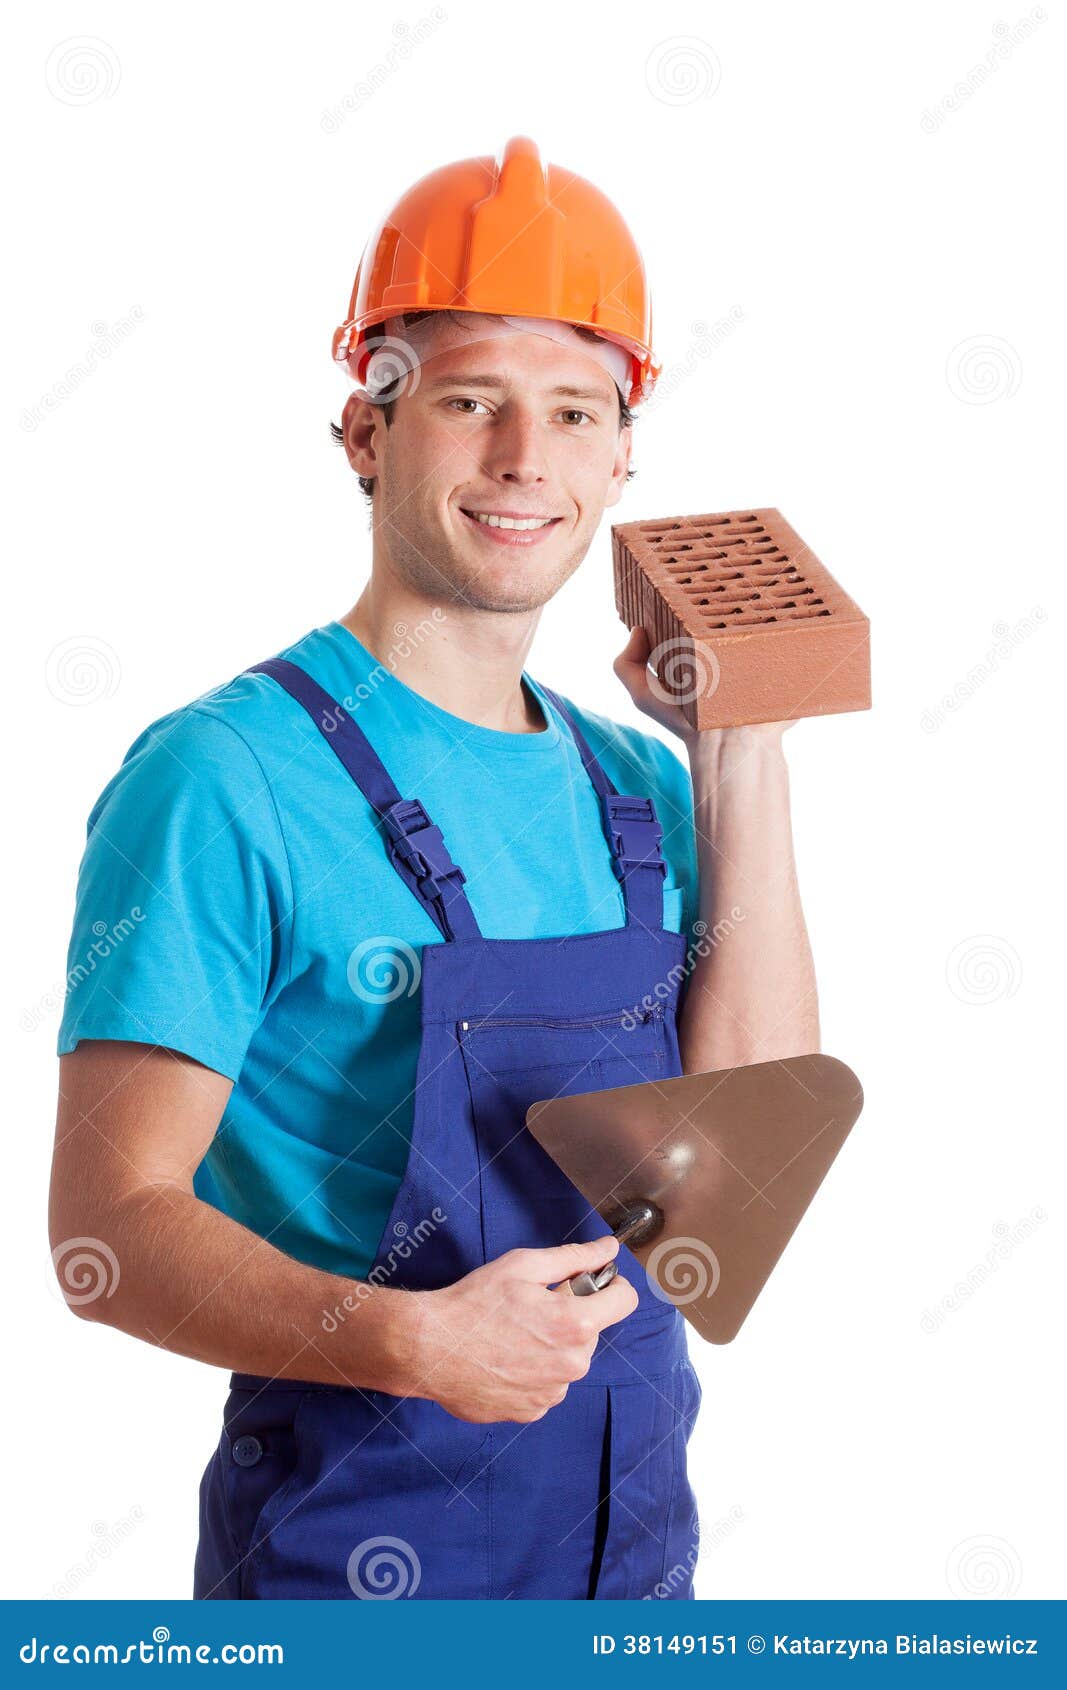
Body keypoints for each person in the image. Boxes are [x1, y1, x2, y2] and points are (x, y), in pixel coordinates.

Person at [49, 137, 818, 1601]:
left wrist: (743, 753)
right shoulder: (224, 777)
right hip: (352, 1588)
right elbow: (105, 1228)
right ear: (366, 430)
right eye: (471, 401)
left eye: (574, 412)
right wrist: (406, 1337)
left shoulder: (640, 785)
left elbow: (732, 1183)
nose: (528, 460)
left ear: (621, 455)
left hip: (635, 1579)